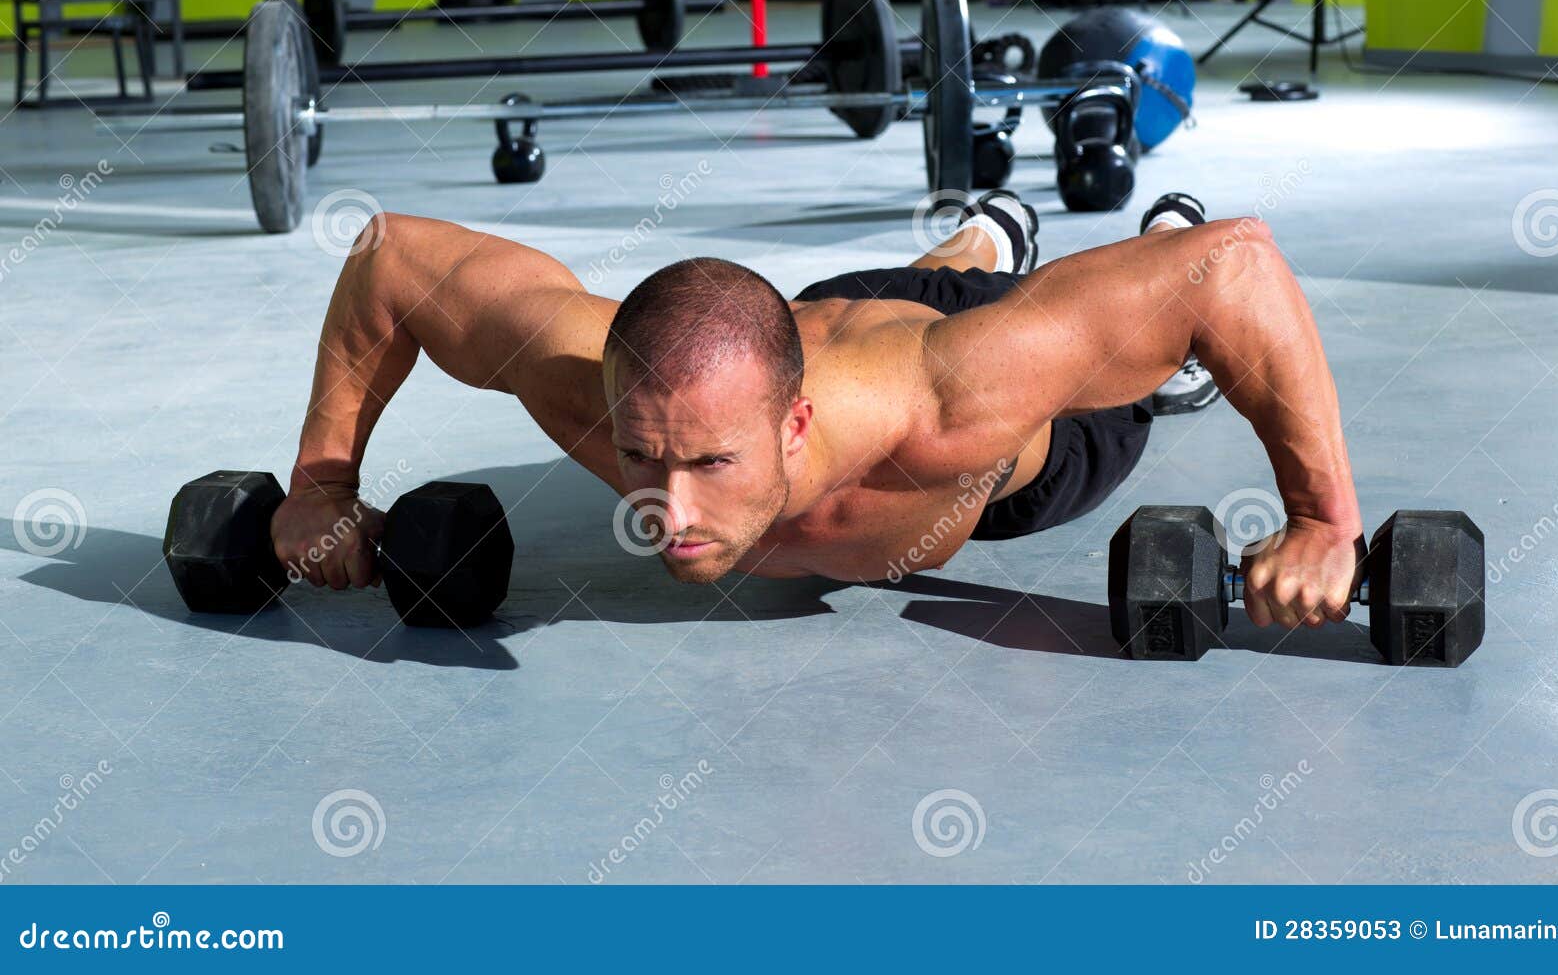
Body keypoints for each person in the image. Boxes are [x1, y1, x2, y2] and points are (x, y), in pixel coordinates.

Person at [272, 191, 1363, 631]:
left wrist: (1322, 522)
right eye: (643, 455)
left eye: (709, 460)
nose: (667, 505)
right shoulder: (580, 374)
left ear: (793, 427)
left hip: (1015, 452)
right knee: (919, 280)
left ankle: (1116, 236)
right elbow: (391, 257)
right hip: (827, 315)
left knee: (1143, 361)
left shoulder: (952, 406)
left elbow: (1234, 269)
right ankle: (979, 230)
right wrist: (322, 483)